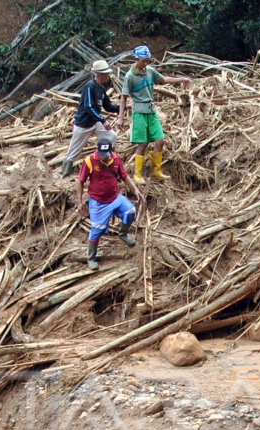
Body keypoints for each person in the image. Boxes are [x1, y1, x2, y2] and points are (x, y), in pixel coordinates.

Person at [121, 44, 192, 182]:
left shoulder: (150, 71)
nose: (146, 63)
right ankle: (138, 174)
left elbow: (164, 79)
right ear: (136, 59)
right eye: (144, 60)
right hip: (139, 112)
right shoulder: (129, 76)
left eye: (148, 60)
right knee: (143, 143)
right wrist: (120, 117)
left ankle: (156, 171)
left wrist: (182, 79)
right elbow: (123, 97)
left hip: (151, 111)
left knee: (160, 140)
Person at [76, 137, 144, 270]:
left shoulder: (116, 159)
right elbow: (80, 181)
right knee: (97, 229)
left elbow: (124, 176)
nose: (105, 158)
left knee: (130, 211)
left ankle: (123, 234)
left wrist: (135, 190)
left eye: (107, 155)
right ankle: (91, 258)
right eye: (102, 155)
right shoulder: (89, 161)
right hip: (98, 201)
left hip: (115, 197)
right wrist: (79, 201)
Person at [61, 59, 122, 178]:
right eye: (107, 74)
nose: (109, 76)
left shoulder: (102, 89)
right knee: (73, 152)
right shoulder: (90, 86)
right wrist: (103, 120)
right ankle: (65, 175)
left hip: (95, 122)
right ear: (101, 75)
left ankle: (108, 163)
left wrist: (122, 108)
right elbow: (88, 106)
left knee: (111, 137)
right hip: (83, 124)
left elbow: (108, 106)